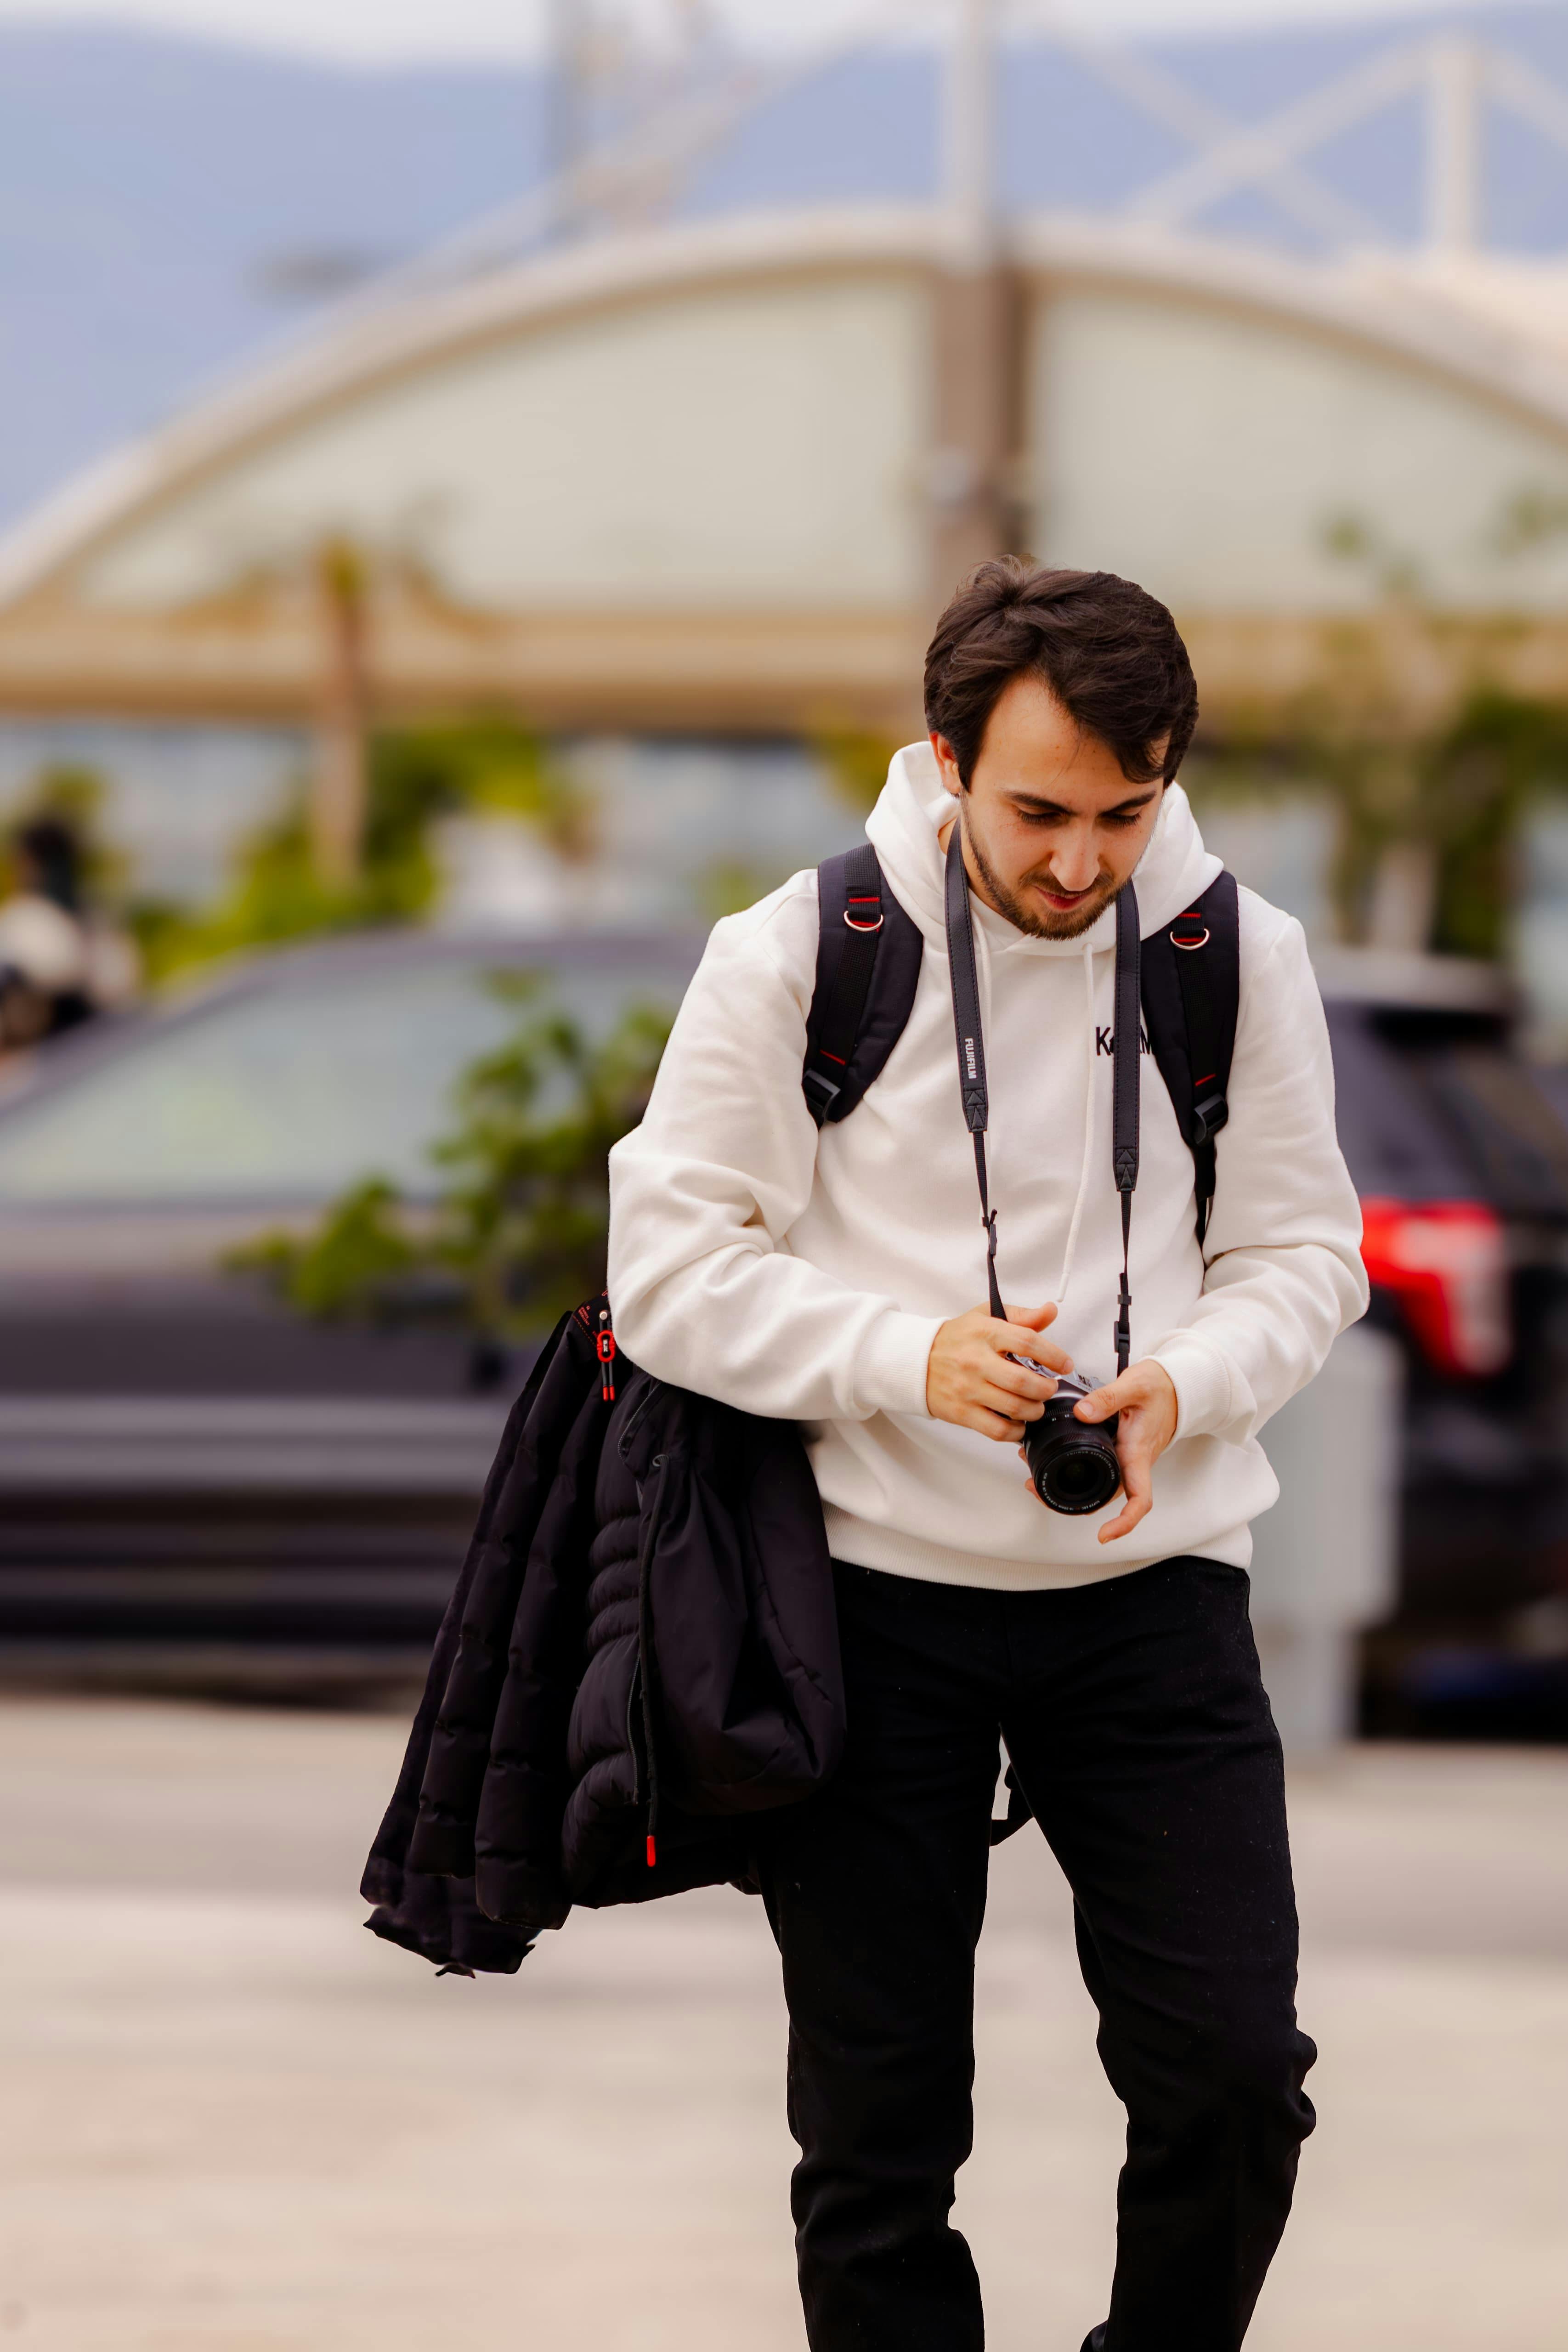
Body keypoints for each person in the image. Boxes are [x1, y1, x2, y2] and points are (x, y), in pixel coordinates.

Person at [606, 561, 1368, 2352]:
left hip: (1151, 1592)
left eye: (1126, 809)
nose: (1079, 859)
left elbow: (1298, 1251)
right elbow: (668, 1272)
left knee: (1233, 2080)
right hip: (868, 1608)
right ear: (946, 759)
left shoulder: (1234, 956)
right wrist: (902, 1356)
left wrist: (1184, 1382)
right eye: (1036, 809)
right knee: (875, 2141)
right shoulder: (795, 951)